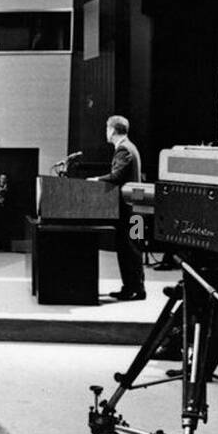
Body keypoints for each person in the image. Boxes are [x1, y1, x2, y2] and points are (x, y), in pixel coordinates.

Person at [88, 115, 145, 301]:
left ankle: (134, 289)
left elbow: (116, 176)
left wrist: (96, 180)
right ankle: (132, 287)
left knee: (129, 248)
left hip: (129, 209)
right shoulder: (131, 147)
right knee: (131, 247)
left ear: (112, 130)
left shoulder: (123, 148)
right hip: (135, 208)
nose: (105, 132)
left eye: (107, 128)